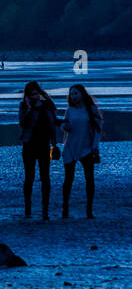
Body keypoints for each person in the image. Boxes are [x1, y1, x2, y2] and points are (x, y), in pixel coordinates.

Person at [60, 83, 102, 218]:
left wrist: (95, 146)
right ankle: (65, 209)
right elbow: (64, 126)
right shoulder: (69, 111)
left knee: (89, 179)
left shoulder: (91, 109)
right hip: (70, 148)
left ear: (82, 94)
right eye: (71, 94)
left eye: (76, 93)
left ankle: (89, 211)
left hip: (87, 148)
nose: (73, 96)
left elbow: (98, 129)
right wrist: (64, 126)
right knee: (68, 180)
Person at [18, 82, 58, 220]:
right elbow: (22, 123)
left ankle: (45, 209)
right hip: (29, 145)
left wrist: (54, 141)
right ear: (27, 96)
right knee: (29, 177)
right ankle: (27, 208)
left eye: (36, 93)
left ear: (39, 93)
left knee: (45, 177)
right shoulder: (23, 106)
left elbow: (53, 123)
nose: (34, 96)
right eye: (31, 94)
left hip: (43, 145)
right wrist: (29, 108)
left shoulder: (46, 105)